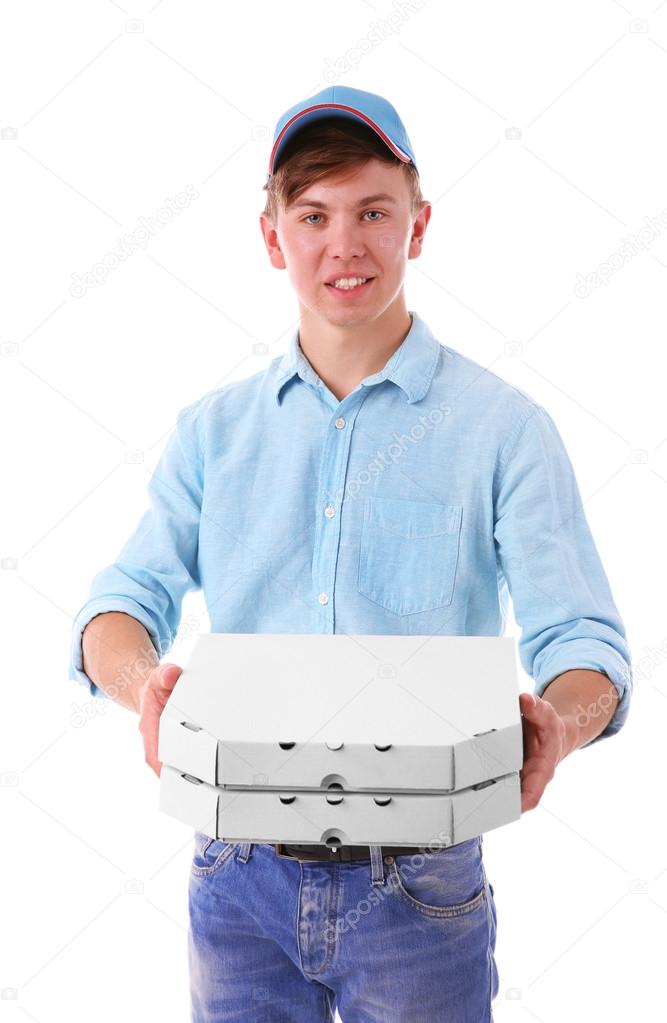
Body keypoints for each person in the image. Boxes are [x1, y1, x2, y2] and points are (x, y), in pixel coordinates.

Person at [69, 86, 633, 1022]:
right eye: (314, 215)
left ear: (417, 226)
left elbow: (582, 639)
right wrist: (144, 686)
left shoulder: (502, 429)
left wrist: (564, 722)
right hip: (234, 876)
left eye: (373, 211)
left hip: (419, 884)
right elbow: (119, 601)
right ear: (270, 235)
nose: (345, 245)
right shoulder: (214, 433)